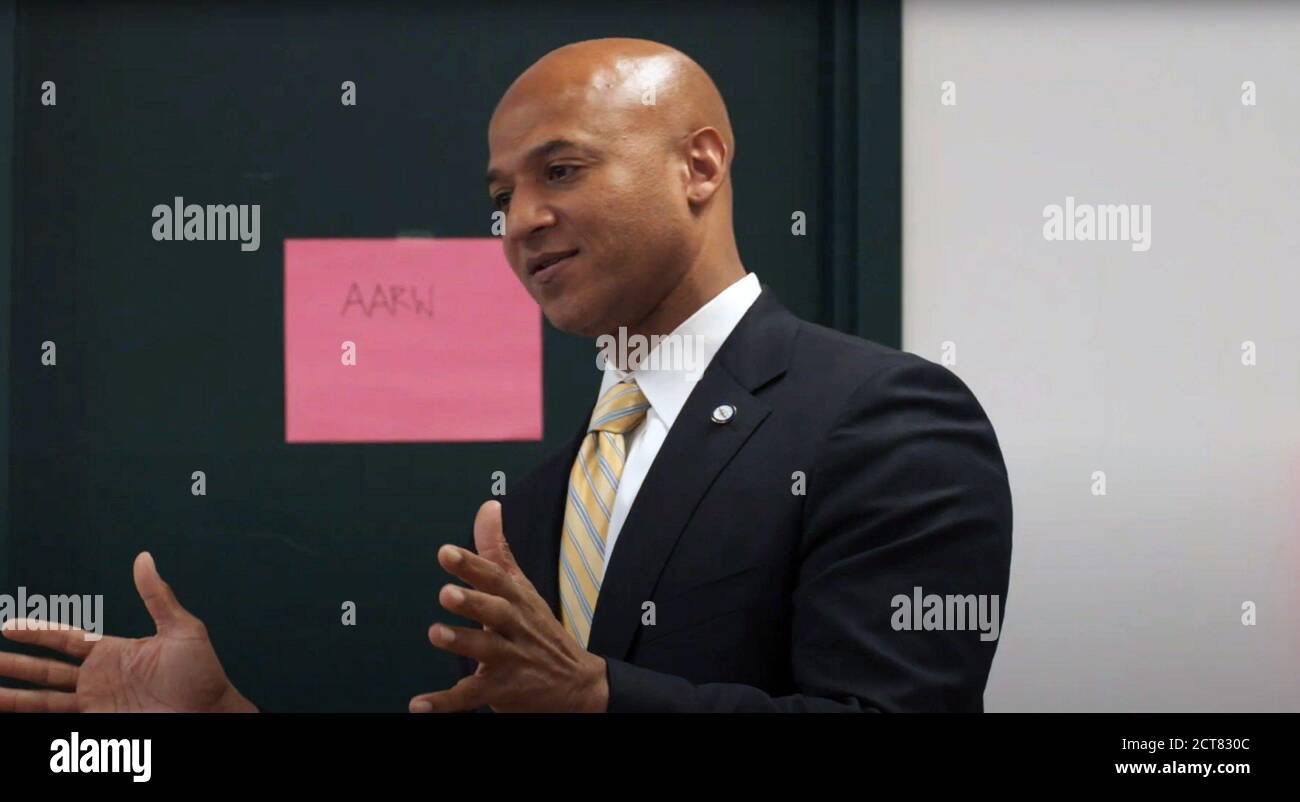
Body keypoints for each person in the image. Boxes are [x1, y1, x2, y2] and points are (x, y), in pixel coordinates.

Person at [0, 38, 1011, 714]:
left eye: (560, 170)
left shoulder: (885, 421)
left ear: (697, 167)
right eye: (502, 194)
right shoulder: (538, 505)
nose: (519, 219)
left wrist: (600, 694)